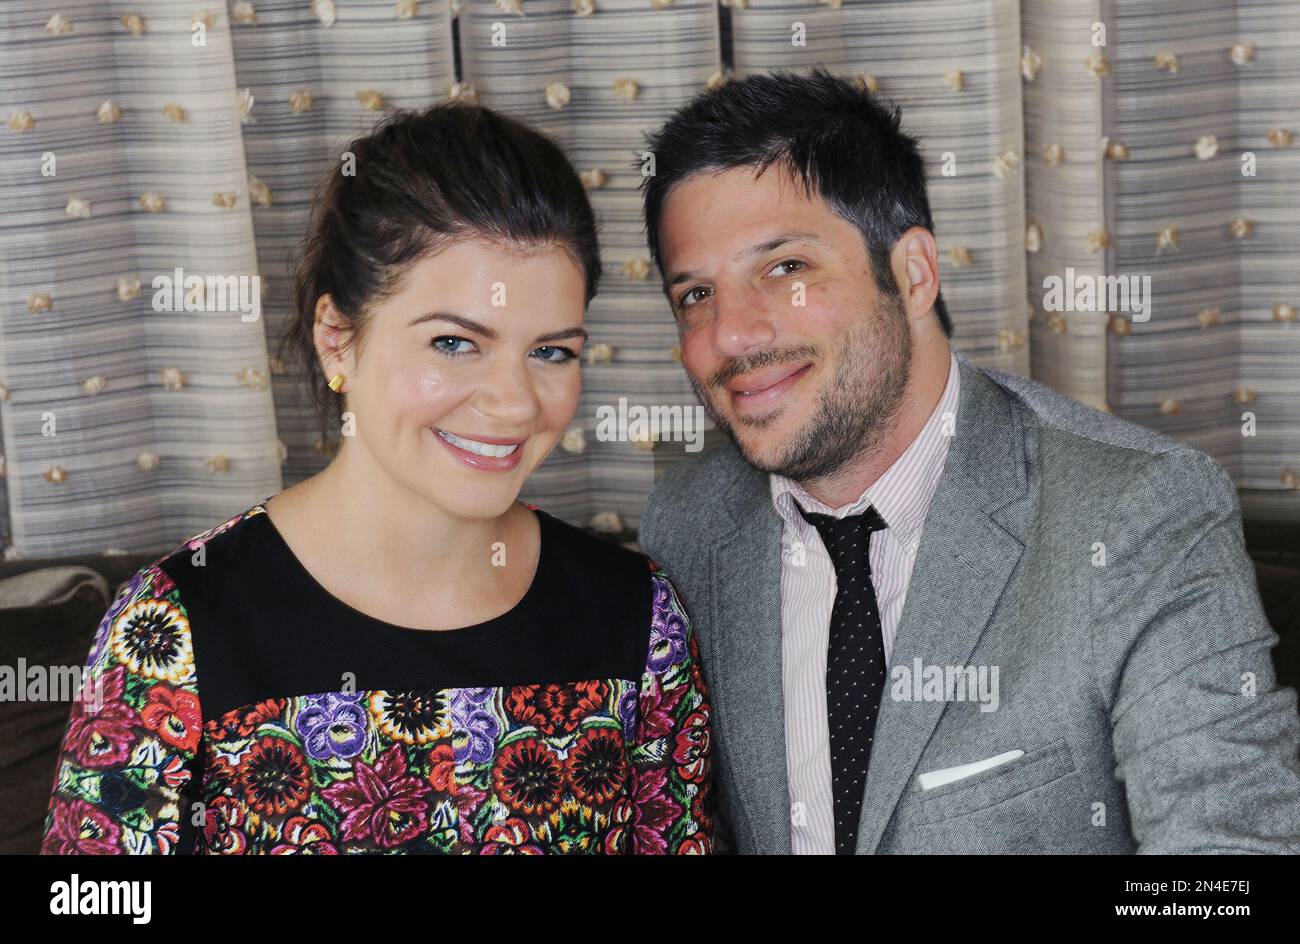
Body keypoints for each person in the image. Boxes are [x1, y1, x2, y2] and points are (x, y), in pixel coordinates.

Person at [636, 68, 1300, 854]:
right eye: (695, 295)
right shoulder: (686, 523)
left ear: (913, 273)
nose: (732, 336)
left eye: (785, 268)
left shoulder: (1138, 510)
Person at [40, 102, 712, 855]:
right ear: (338, 341)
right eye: (455, 343)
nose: (515, 402)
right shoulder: (174, 630)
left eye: (552, 351)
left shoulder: (638, 618)